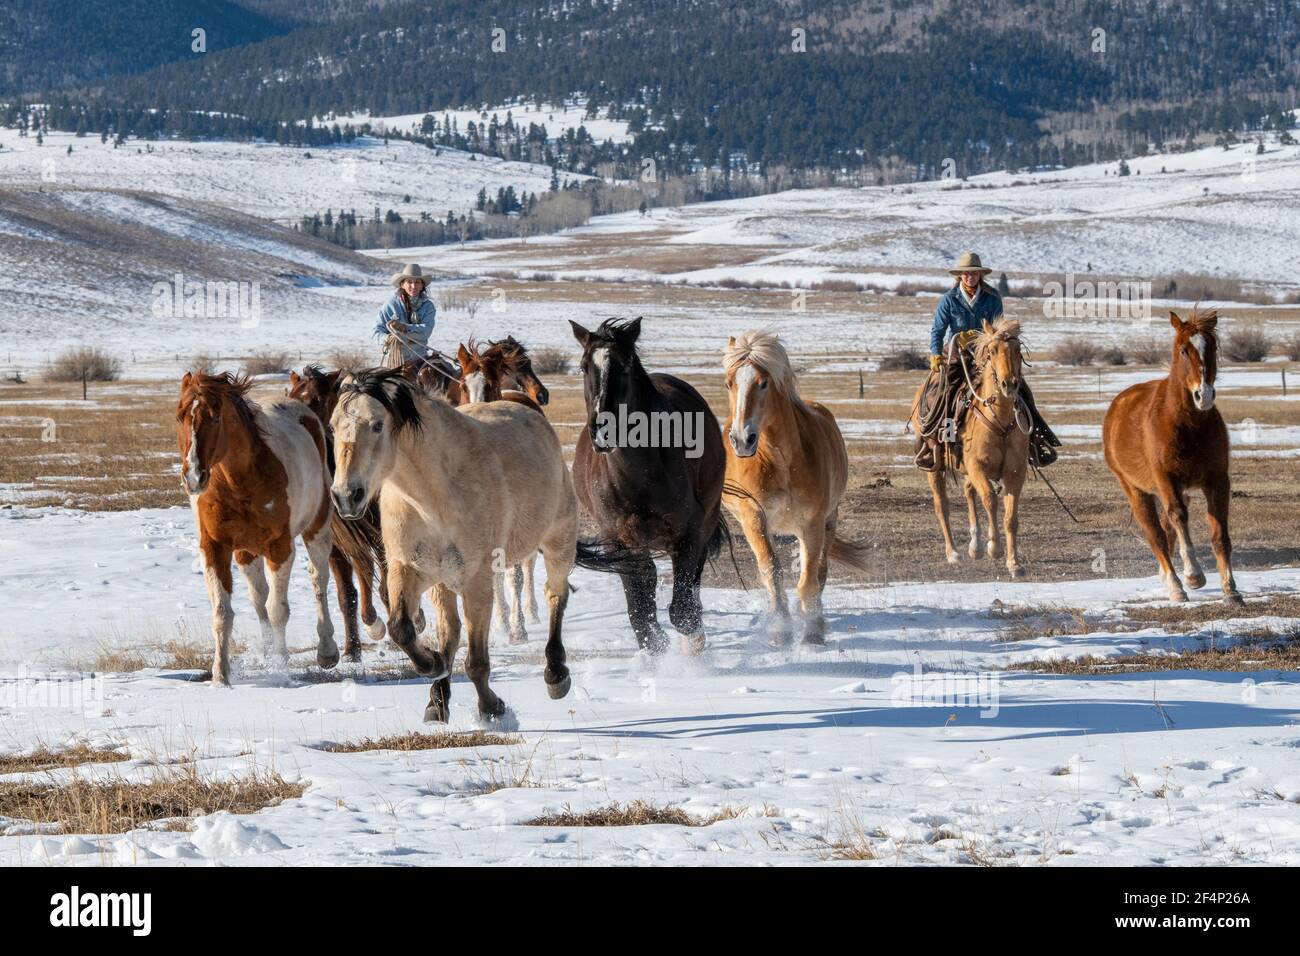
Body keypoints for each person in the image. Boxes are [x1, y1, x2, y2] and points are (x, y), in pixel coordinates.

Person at [914, 252, 1059, 471]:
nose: (969, 277)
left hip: (988, 355)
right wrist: (935, 354)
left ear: (980, 275)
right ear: (960, 276)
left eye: (973, 273)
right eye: (965, 273)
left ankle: (1037, 441)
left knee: (1022, 391)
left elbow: (999, 328)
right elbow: (937, 330)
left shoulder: (992, 298)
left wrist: (989, 339)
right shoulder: (949, 299)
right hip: (958, 354)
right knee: (944, 392)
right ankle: (935, 442)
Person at [374, 263, 437, 367]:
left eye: (417, 282)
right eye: (409, 282)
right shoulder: (391, 304)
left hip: (420, 358)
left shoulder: (428, 306)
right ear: (402, 284)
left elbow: (426, 330)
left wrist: (404, 328)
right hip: (395, 360)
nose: (413, 286)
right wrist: (387, 339)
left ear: (422, 285)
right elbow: (376, 331)